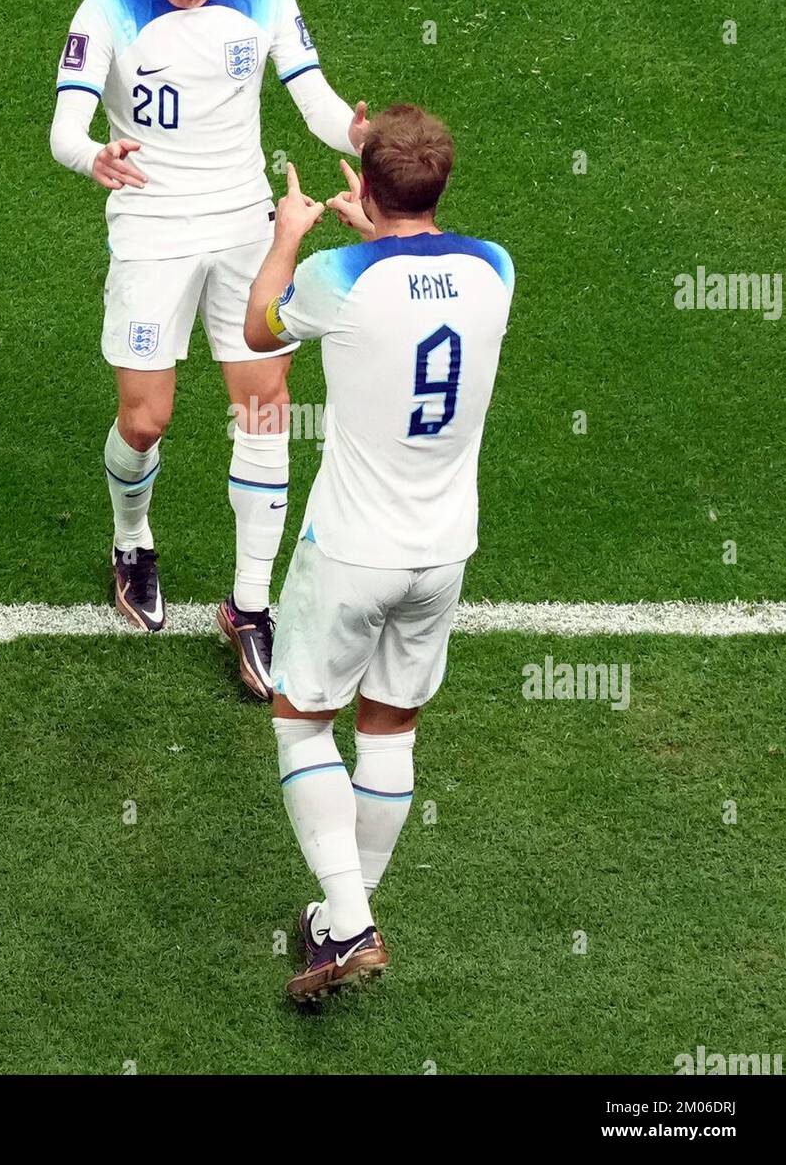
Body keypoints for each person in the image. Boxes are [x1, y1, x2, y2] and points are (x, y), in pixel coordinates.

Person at [50, 0, 369, 699]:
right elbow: (63, 130)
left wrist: (360, 134)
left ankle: (250, 606)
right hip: (151, 223)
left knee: (263, 402)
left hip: (243, 224)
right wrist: (95, 158)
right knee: (146, 419)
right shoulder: (108, 9)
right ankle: (131, 539)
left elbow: (316, 102)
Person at [244, 105, 514, 1001]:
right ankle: (334, 923)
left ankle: (351, 921)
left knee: (299, 719)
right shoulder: (493, 270)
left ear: (362, 184)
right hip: (444, 552)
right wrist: (378, 236)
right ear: (440, 183)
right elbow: (418, 282)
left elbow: (259, 329)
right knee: (389, 726)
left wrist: (287, 236)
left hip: (353, 548)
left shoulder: (335, 276)